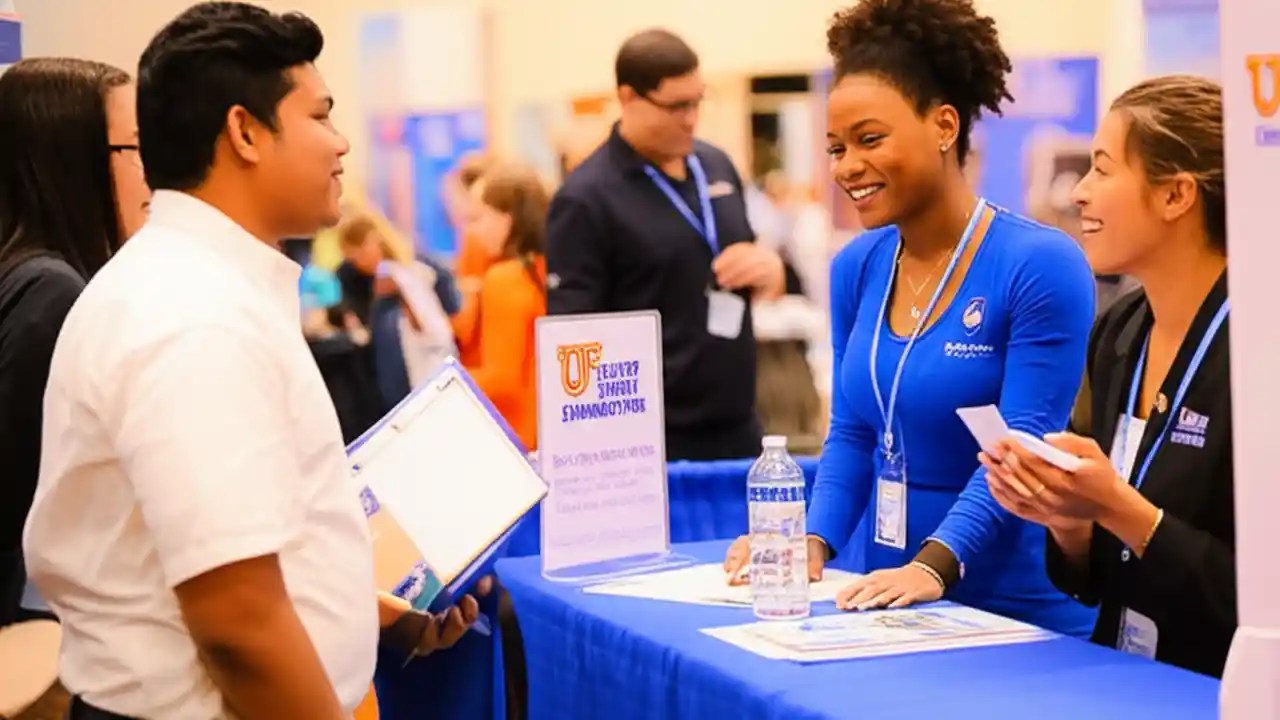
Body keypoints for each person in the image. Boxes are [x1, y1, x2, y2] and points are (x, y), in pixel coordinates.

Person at [23, 5, 475, 719]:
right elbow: (237, 622)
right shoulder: (189, 311)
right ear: (244, 132)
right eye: (321, 116)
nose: (341, 143)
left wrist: (366, 609)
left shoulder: (206, 286)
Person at [726, 0, 1098, 636]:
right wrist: (810, 544)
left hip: (1012, 610)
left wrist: (935, 566)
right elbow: (851, 433)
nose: (847, 166)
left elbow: (1022, 449)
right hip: (884, 603)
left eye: (870, 140)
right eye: (836, 148)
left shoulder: (1039, 263)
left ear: (944, 126)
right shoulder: (859, 266)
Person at [982, 76, 1233, 676]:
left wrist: (1121, 509)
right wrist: (1069, 520)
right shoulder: (1120, 330)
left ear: (1175, 196)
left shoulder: (1257, 351)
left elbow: (1254, 602)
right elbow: (1096, 582)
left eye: (1102, 169)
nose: (1080, 195)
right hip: (1124, 681)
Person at [546, 28, 787, 461]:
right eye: (676, 106)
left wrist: (769, 268)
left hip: (740, 427)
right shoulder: (586, 199)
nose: (691, 118)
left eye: (698, 101)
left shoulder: (714, 164)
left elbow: (751, 259)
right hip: (653, 446)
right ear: (628, 98)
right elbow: (576, 344)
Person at [0, 57, 149, 629]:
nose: (150, 173)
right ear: (72, 159)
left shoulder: (35, 277)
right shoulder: (51, 293)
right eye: (133, 149)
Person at [463, 163, 549, 450]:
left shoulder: (504, 278)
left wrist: (441, 383)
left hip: (519, 438)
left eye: (479, 218)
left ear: (507, 218)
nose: (474, 231)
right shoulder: (548, 268)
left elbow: (501, 379)